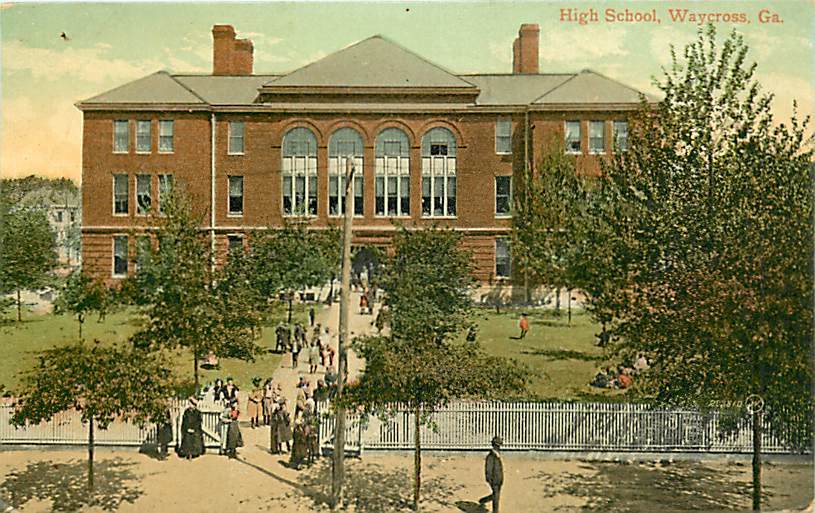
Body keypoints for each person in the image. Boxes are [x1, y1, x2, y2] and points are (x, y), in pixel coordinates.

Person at [478, 435, 504, 512]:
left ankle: (484, 500)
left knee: (496, 495)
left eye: (499, 446)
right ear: (494, 445)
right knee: (496, 496)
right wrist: (489, 479)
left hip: (499, 479)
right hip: (494, 480)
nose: (498, 448)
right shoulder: (490, 456)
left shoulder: (497, 455)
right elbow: (488, 470)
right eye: (497, 446)